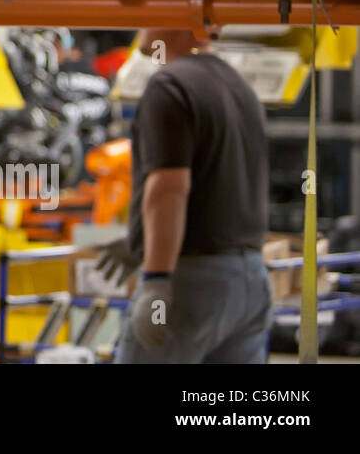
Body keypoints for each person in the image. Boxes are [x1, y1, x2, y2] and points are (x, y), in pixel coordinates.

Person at [97, 27, 272, 363]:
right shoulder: (239, 88)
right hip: (249, 283)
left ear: (175, 17)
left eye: (148, 14)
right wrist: (142, 243)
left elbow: (169, 189)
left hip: (190, 284)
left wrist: (157, 279)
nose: (139, 28)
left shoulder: (170, 86)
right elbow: (216, 189)